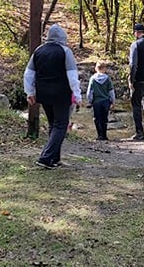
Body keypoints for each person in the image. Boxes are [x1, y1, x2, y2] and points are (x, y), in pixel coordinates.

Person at [23, 23, 82, 169]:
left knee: (53, 125)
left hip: (43, 94)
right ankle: (46, 157)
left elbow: (29, 73)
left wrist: (30, 92)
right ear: (63, 37)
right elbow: (72, 75)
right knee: (61, 125)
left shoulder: (39, 51)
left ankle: (54, 159)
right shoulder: (65, 51)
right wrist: (77, 94)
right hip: (61, 94)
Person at [86, 59, 116, 140]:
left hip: (96, 102)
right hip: (106, 101)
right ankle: (105, 135)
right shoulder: (107, 78)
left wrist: (89, 101)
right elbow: (111, 91)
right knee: (104, 118)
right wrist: (113, 101)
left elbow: (90, 92)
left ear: (96, 68)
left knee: (97, 118)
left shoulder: (92, 79)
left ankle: (99, 135)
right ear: (104, 69)